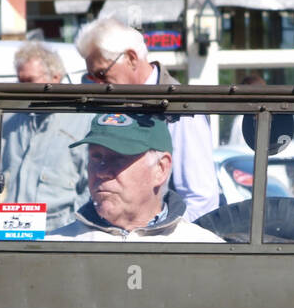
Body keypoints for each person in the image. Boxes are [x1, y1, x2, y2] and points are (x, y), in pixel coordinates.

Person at [75, 18, 220, 220]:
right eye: (91, 78)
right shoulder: (111, 101)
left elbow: (200, 200)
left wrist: (153, 239)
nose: (98, 84)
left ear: (131, 58)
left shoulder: (179, 108)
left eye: (101, 74)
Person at [47, 112, 224, 243]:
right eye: (96, 157)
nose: (101, 172)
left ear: (160, 169)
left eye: (118, 158)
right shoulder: (55, 248)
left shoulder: (204, 249)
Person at [0, 40, 91, 230]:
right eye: (20, 81)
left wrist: (72, 229)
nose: (23, 89)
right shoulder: (8, 120)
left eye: (29, 81)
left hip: (57, 239)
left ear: (56, 77)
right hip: (8, 236)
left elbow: (90, 188)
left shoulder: (83, 122)